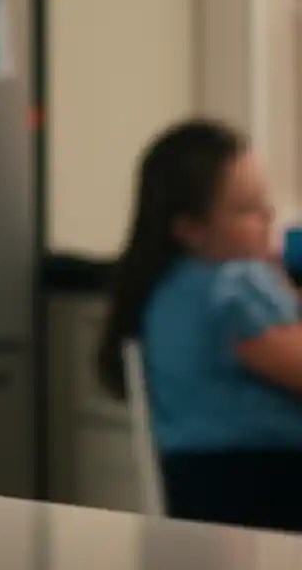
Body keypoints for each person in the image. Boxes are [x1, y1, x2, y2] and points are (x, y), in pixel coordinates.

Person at [99, 119, 302, 530]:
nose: (268, 217)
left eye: (264, 203)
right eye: (247, 209)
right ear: (191, 229)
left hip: (197, 493)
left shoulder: (167, 287)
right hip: (257, 490)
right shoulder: (234, 285)